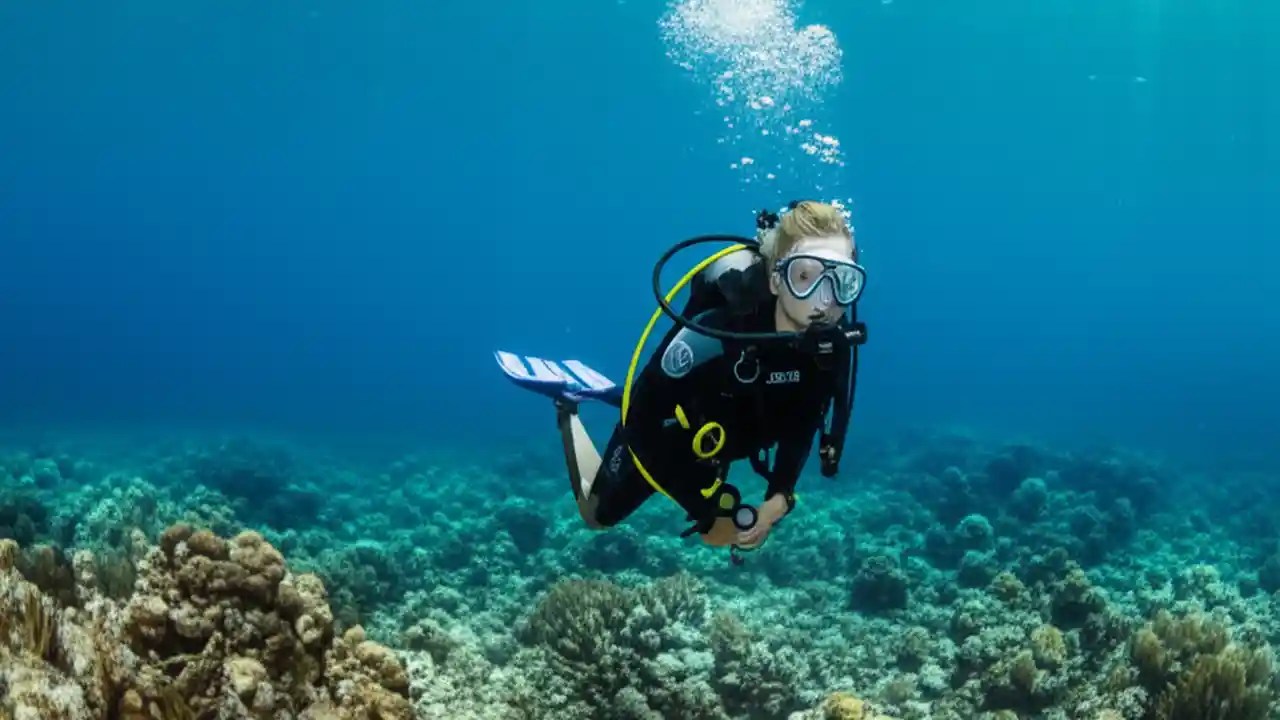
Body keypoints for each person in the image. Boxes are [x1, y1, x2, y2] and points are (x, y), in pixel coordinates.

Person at [495, 200, 867, 561]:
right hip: (669, 430)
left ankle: (608, 392)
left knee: (714, 520)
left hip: (723, 434)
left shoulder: (832, 350)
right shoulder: (716, 333)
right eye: (805, 276)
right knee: (595, 517)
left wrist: (778, 499)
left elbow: (803, 424)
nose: (824, 301)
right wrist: (701, 507)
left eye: (841, 281)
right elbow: (643, 417)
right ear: (775, 280)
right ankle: (567, 406)